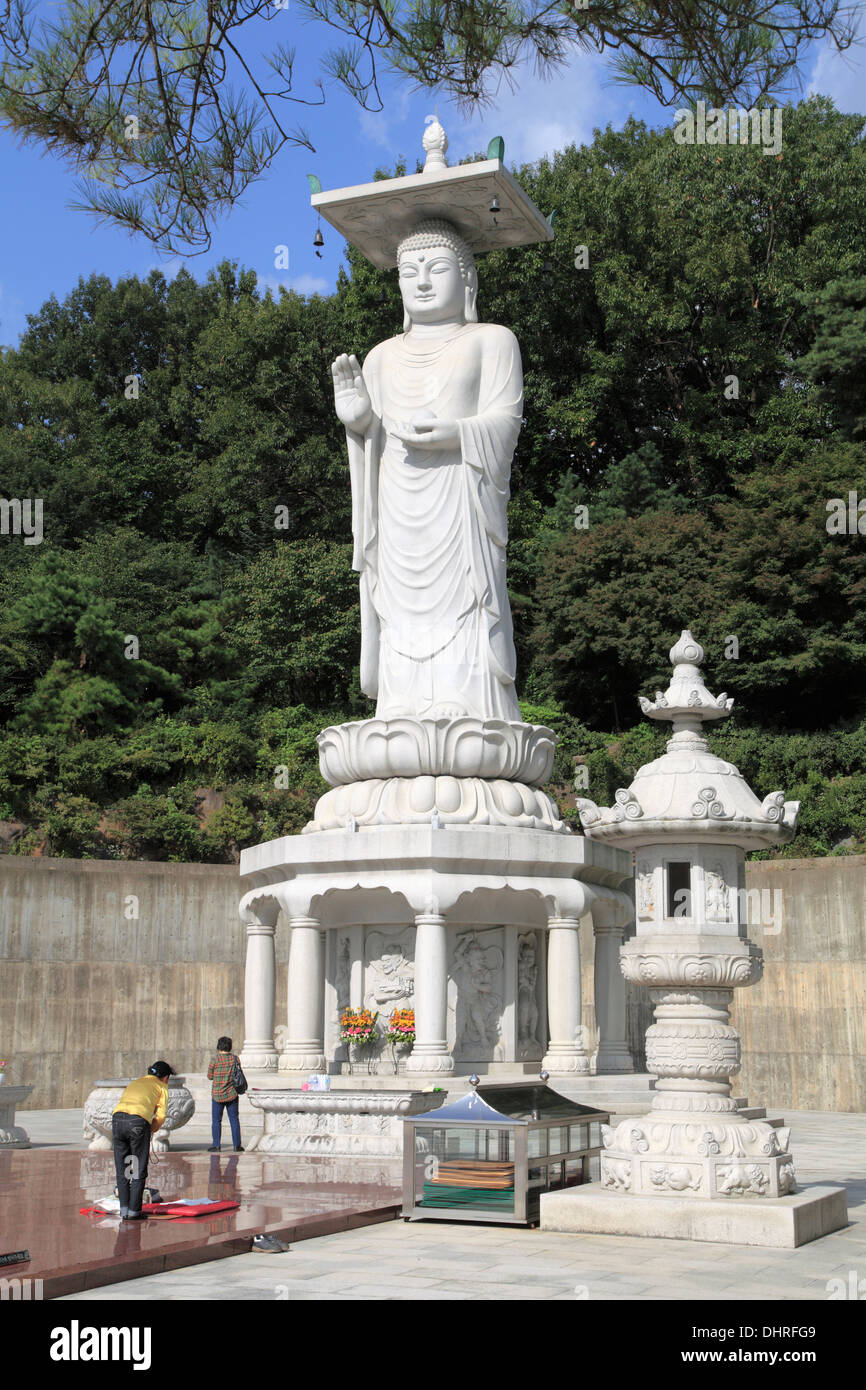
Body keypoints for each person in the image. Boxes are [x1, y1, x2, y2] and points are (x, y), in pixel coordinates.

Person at [331, 217, 524, 722]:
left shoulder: (493, 340)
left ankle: (470, 708)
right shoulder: (379, 358)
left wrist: (460, 434)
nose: (420, 280)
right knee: (398, 608)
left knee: (463, 603)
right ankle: (400, 709)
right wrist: (359, 423)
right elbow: (374, 440)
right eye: (408, 270)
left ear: (466, 279)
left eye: (436, 268)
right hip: (397, 508)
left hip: (460, 499)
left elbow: (506, 420)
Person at [112, 1061, 173, 1220]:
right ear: (165, 1077)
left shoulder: (136, 1082)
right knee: (138, 1167)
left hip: (117, 1120)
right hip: (138, 1123)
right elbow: (161, 1115)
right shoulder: (161, 1086)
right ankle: (134, 1211)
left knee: (124, 1167)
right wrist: (150, 1130)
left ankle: (124, 1210)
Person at [208, 1036, 244, 1152]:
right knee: (234, 1119)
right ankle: (237, 1145)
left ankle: (217, 1145)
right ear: (230, 1046)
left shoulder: (215, 1060)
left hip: (217, 1094)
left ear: (219, 1046)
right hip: (232, 1094)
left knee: (216, 1120)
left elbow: (209, 1076)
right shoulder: (235, 1059)